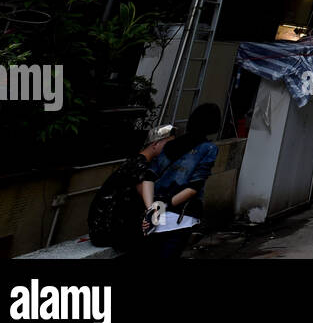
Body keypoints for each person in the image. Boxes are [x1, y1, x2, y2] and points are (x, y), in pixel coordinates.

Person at [145, 103, 222, 258]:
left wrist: (151, 209)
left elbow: (149, 176)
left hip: (154, 213)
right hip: (181, 215)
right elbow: (194, 186)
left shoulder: (170, 144)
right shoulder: (208, 148)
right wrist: (166, 204)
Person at [88, 124, 173, 253]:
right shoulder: (141, 166)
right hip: (108, 231)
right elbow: (150, 203)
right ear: (155, 144)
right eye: (169, 144)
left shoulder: (136, 162)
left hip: (105, 227)